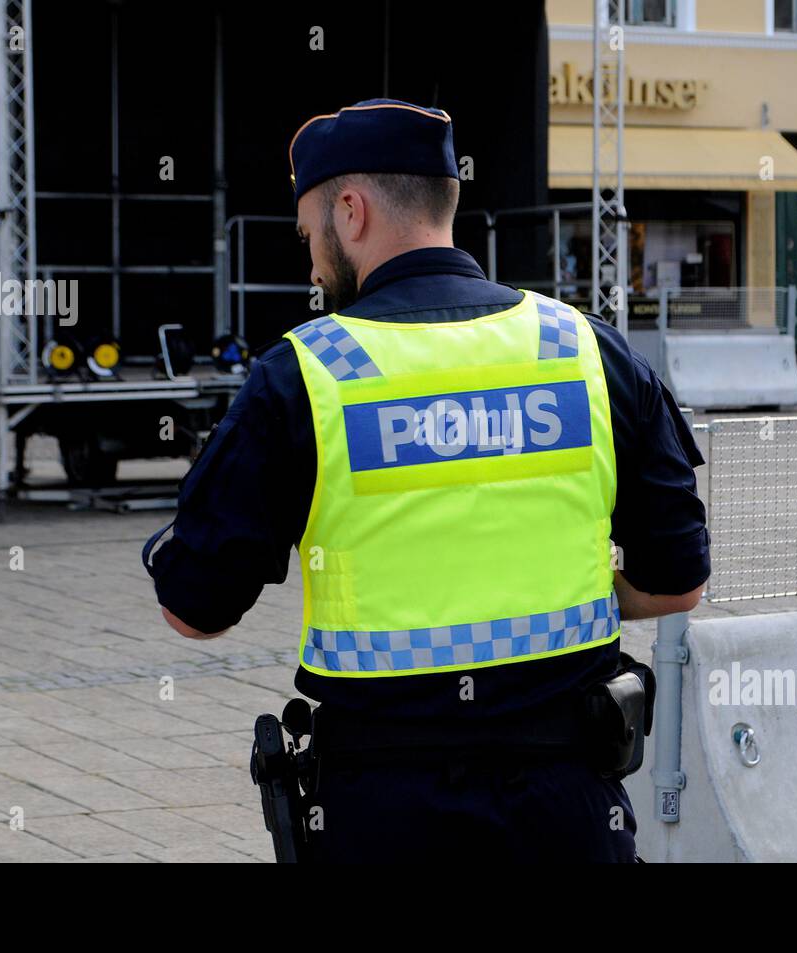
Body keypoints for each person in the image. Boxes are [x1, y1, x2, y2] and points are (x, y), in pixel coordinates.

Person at [142, 98, 710, 862]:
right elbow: (676, 583)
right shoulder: (584, 349)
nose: (311, 262)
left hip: (382, 813)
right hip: (569, 809)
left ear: (351, 211)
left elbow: (195, 610)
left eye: (309, 232)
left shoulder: (302, 376)